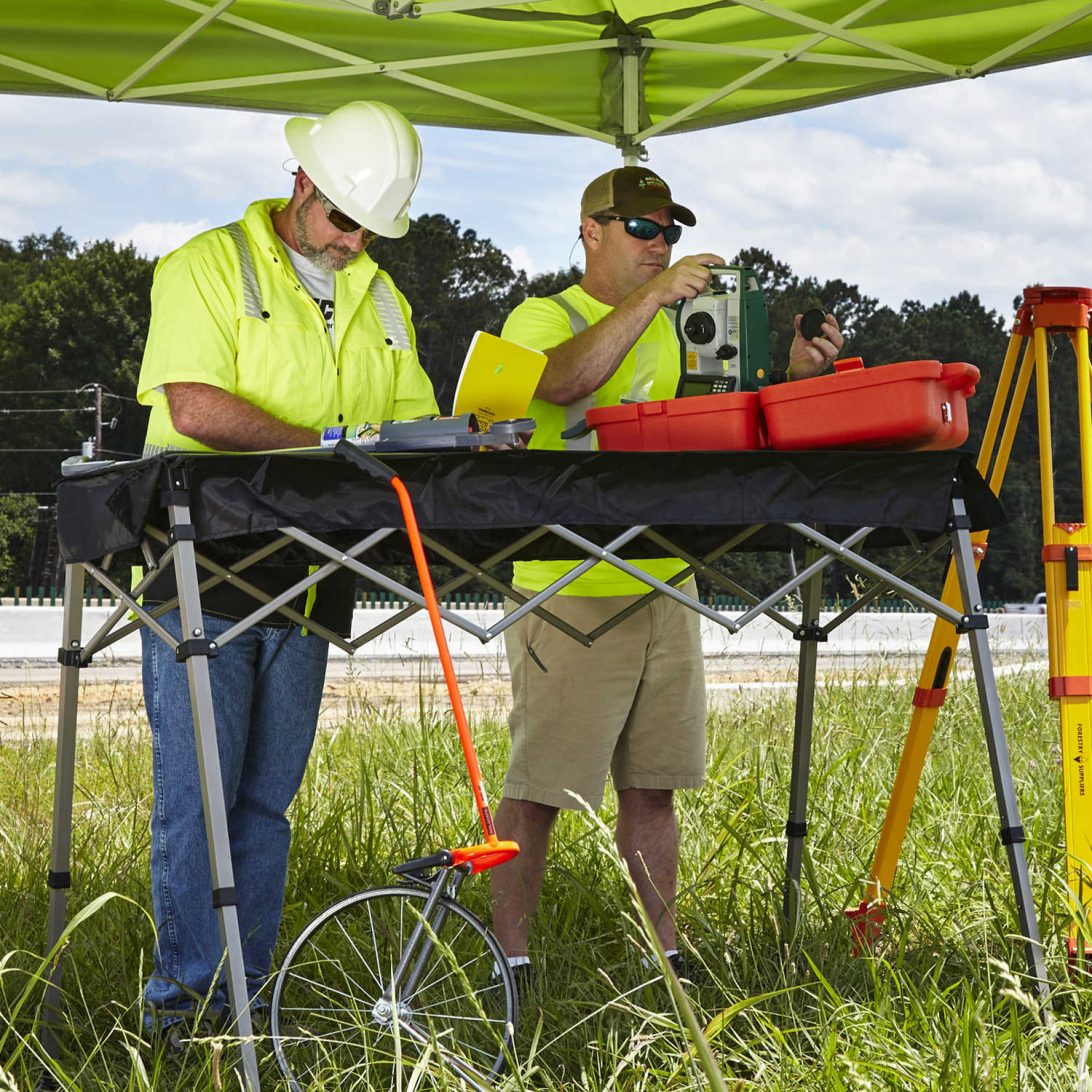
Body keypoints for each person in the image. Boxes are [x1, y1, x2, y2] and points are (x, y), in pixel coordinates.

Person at [489, 166, 842, 988]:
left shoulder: (678, 330)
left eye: (671, 232)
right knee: (539, 790)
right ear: (591, 232)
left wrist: (790, 376)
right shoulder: (543, 316)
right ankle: (510, 960)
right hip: (566, 586)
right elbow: (560, 381)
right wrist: (652, 301)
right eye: (644, 230)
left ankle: (666, 961)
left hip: (664, 581)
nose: (662, 246)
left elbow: (723, 428)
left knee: (655, 789)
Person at [134, 100, 438, 1044]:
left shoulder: (384, 297)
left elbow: (415, 421)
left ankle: (246, 998)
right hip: (204, 568)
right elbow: (193, 406)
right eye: (344, 219)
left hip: (316, 578)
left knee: (264, 806)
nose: (353, 243)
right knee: (202, 805)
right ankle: (182, 1017)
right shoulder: (203, 268)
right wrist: (330, 443)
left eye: (371, 228)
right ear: (301, 183)